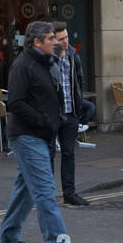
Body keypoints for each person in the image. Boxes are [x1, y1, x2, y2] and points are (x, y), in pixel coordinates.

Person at [0, 21, 87, 243]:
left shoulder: (47, 62)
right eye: (50, 38)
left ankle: (9, 233)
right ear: (37, 42)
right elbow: (15, 102)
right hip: (27, 136)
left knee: (26, 187)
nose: (55, 42)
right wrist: (43, 121)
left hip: (42, 134)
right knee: (45, 191)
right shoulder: (23, 65)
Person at [51, 21, 92, 207]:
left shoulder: (73, 54)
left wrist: (77, 107)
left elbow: (79, 80)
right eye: (61, 39)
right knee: (48, 154)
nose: (65, 42)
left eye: (66, 37)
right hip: (52, 115)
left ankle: (70, 193)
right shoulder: (47, 57)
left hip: (70, 112)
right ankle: (48, 195)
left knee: (69, 154)